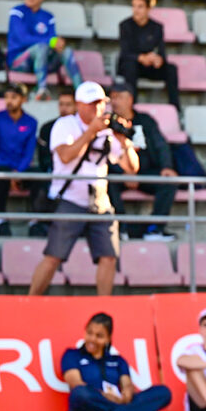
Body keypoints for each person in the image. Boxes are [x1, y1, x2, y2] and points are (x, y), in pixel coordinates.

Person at [28, 82, 139, 296]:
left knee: (109, 256)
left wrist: (124, 140)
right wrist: (91, 132)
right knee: (54, 256)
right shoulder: (64, 125)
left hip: (99, 201)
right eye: (91, 104)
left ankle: (103, 307)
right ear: (79, 104)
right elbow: (66, 155)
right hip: (70, 199)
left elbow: (131, 169)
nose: (96, 108)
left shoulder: (108, 128)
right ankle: (31, 301)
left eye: (100, 103)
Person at [61, 312, 172, 411]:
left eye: (99, 336)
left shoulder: (118, 360)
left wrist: (126, 395)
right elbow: (75, 383)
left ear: (108, 338)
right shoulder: (72, 355)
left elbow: (127, 384)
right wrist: (105, 396)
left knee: (163, 392)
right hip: (92, 407)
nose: (92, 339)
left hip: (118, 401)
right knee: (79, 393)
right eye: (89, 333)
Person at [106, 82, 177, 241]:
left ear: (130, 99)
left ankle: (155, 229)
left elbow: (160, 145)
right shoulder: (107, 123)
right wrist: (124, 173)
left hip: (145, 172)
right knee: (105, 182)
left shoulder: (145, 121)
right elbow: (103, 154)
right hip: (117, 173)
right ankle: (120, 228)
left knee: (169, 182)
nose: (115, 102)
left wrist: (166, 166)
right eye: (113, 98)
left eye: (119, 97)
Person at [0, 83, 38, 237]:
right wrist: (10, 172)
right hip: (0, 167)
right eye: (7, 97)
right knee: (1, 174)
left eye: (13, 97)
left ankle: (35, 221)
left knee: (39, 175)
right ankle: (2, 218)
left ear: (23, 99)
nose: (9, 101)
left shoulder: (31, 122)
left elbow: (29, 153)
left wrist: (18, 172)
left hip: (20, 169)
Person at [7, 0, 82, 101]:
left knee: (66, 51)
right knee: (41, 47)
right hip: (19, 61)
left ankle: (81, 92)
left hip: (43, 62)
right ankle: (41, 90)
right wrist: (50, 41)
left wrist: (58, 44)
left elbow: (53, 43)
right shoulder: (17, 12)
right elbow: (22, 38)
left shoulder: (48, 16)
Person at [117, 0, 181, 110]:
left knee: (171, 69)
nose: (136, 10)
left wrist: (158, 60)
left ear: (148, 9)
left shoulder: (157, 27)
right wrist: (141, 58)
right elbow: (125, 52)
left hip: (149, 67)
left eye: (140, 6)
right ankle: (131, 107)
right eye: (134, 6)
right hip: (131, 66)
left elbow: (161, 52)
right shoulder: (125, 25)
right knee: (130, 66)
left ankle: (175, 109)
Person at [32, 89, 77, 237]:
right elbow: (44, 157)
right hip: (53, 172)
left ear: (77, 106)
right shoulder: (47, 128)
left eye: (68, 104)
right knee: (38, 178)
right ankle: (39, 223)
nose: (64, 108)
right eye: (61, 104)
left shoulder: (84, 128)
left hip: (77, 175)